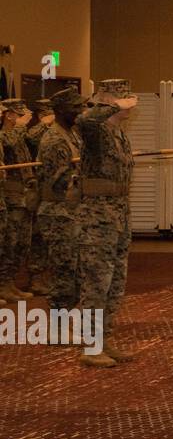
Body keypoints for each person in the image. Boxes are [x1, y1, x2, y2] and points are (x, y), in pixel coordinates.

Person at [75, 79, 138, 367]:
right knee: (97, 282)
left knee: (115, 282)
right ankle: (90, 345)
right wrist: (104, 103)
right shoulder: (96, 129)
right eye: (122, 98)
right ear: (109, 100)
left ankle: (104, 338)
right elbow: (84, 122)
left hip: (119, 214)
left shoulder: (118, 133)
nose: (129, 103)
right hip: (98, 216)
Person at [37, 88, 85, 332]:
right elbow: (59, 181)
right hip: (58, 212)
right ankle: (57, 328)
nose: (79, 111)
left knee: (75, 270)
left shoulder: (71, 134)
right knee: (64, 272)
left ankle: (66, 321)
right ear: (60, 111)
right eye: (74, 108)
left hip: (71, 210)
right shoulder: (55, 139)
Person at [0, 99, 36, 302]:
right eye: (19, 114)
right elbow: (9, 142)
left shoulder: (21, 135)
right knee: (9, 242)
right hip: (11, 196)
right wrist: (20, 126)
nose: (25, 117)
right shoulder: (6, 135)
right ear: (9, 115)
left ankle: (9, 282)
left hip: (24, 194)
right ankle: (2, 283)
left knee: (21, 243)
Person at [24, 98, 55, 296]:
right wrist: (45, 124)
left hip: (54, 191)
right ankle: (36, 277)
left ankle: (46, 277)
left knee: (50, 237)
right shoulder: (35, 131)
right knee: (38, 236)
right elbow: (31, 139)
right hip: (38, 191)